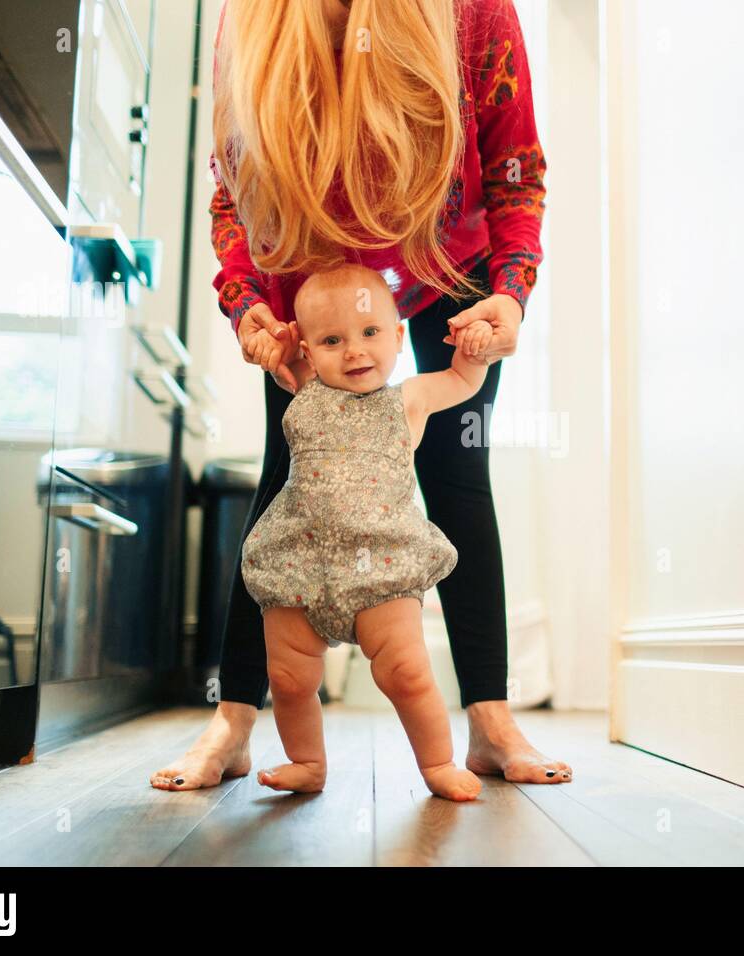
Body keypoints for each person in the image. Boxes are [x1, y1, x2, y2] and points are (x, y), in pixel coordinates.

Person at [151, 0, 572, 791]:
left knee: (456, 472)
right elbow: (227, 194)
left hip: (453, 260)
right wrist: (249, 310)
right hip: (315, 282)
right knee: (287, 477)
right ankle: (235, 721)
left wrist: (510, 294)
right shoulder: (248, 22)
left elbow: (516, 170)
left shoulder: (475, 13)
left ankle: (488, 722)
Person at [243, 263, 493, 800]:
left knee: (405, 672)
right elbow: (281, 356)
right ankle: (307, 762)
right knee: (288, 680)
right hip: (298, 562)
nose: (354, 350)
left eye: (370, 333)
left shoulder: (411, 398)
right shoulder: (304, 386)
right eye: (333, 339)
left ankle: (438, 764)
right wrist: (274, 347)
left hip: (382, 563)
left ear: (398, 337)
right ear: (308, 351)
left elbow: (464, 381)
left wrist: (472, 355)